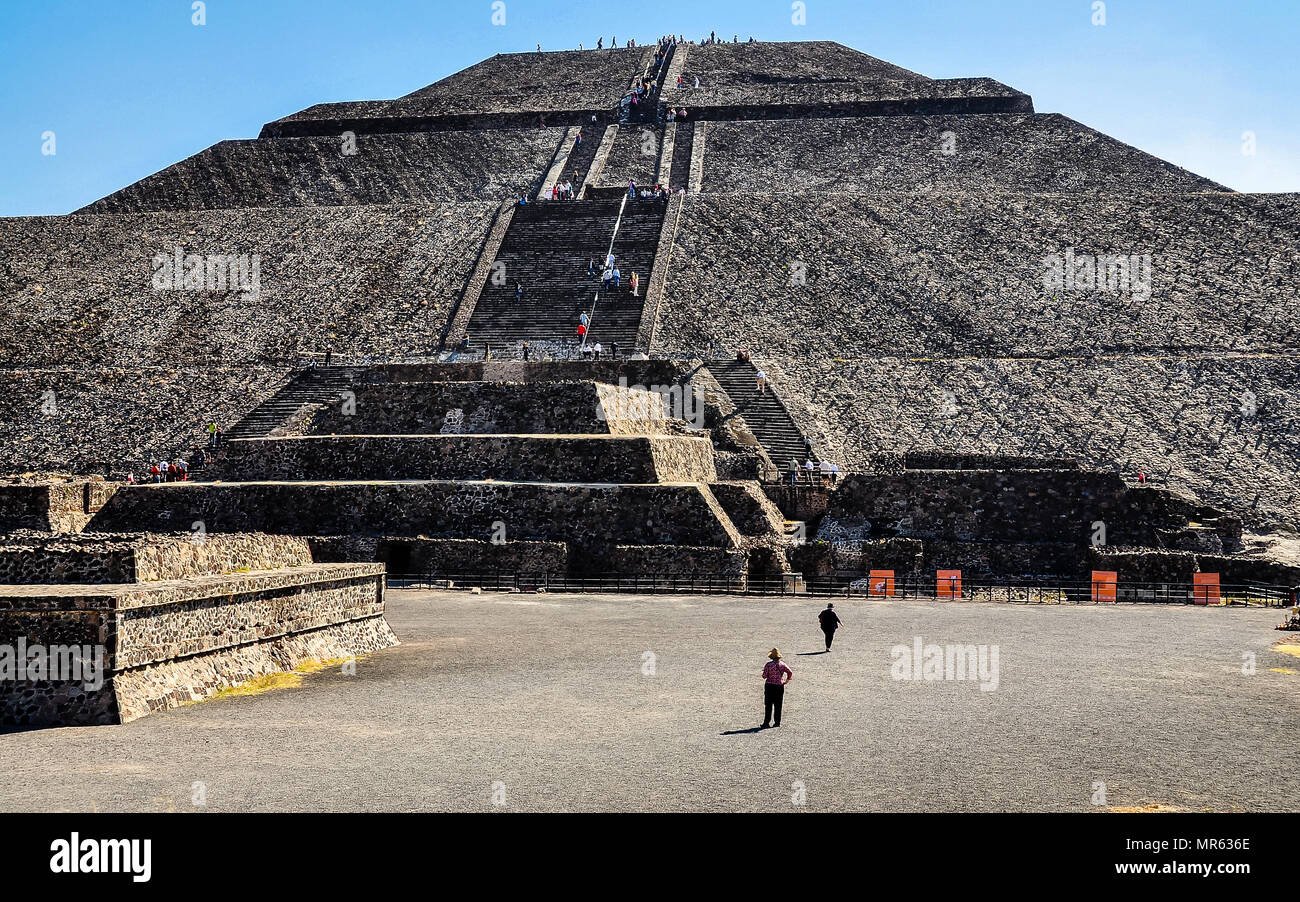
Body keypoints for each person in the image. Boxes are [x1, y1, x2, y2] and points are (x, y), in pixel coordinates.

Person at [760, 648, 792, 728]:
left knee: (768, 705)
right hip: (779, 686)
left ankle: (766, 722)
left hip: (769, 686)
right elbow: (790, 672)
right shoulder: (782, 664)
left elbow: (764, 676)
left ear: (771, 657)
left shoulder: (768, 665)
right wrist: (786, 680)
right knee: (778, 705)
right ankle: (777, 722)